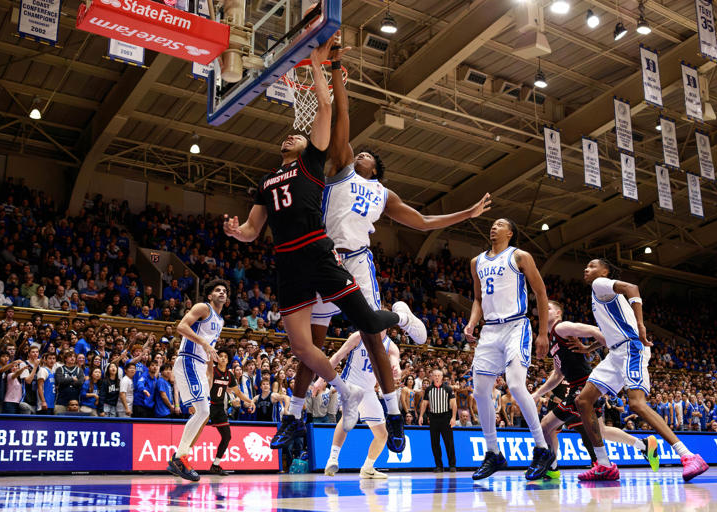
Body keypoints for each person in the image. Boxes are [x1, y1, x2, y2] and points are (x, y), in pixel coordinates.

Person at [282, 37, 492, 457]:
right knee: (314, 344)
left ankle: (393, 415)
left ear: (375, 168)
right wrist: (337, 68)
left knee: (372, 333)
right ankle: (295, 414)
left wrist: (465, 215)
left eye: (366, 155)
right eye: (357, 151)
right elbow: (342, 115)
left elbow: (425, 221)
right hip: (323, 255)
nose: (358, 152)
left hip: (357, 261)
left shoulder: (383, 194)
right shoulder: (341, 168)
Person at [223, 39, 425, 452]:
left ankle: (397, 349)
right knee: (302, 347)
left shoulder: (315, 163)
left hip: (323, 253)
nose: (290, 136)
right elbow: (251, 230)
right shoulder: (265, 182)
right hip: (288, 263)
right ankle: (308, 410)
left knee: (369, 325)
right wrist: (236, 231)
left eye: (298, 135)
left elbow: (328, 113)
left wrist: (321, 66)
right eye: (288, 137)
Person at [574, 258, 709, 481]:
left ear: (605, 271)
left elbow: (632, 288)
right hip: (616, 352)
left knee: (636, 404)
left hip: (630, 348)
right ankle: (604, 465)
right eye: (585, 266)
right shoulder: (598, 295)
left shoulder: (601, 283)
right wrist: (589, 347)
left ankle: (688, 456)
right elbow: (610, 332)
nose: (586, 269)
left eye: (591, 266)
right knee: (583, 401)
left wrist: (641, 325)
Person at [464, 218, 555, 480]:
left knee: (516, 385)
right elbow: (478, 299)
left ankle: (541, 448)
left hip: (516, 325)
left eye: (500, 224)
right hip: (490, 330)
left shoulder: (520, 256)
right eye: (492, 224)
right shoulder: (476, 262)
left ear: (510, 232)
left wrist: (542, 333)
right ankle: (493, 452)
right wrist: (472, 323)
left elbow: (540, 292)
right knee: (480, 391)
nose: (494, 227)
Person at [531, 300, 658, 479]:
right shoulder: (551, 339)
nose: (545, 310)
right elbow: (558, 375)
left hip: (583, 387)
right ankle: (644, 445)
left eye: (549, 308)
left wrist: (613, 352)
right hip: (585, 386)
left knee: (546, 425)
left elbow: (594, 330)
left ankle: (552, 469)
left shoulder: (562, 327)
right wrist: (537, 393)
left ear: (558, 313)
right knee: (602, 431)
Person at [314, 331, 401, 479]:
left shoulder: (390, 346)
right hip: (350, 384)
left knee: (382, 435)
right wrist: (321, 380)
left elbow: (395, 362)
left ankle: (367, 468)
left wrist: (397, 369)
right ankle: (333, 458)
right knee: (348, 416)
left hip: (368, 391)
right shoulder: (359, 336)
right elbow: (337, 357)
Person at [166, 279, 229, 482]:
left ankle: (179, 458)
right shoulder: (203, 307)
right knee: (203, 411)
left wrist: (209, 376)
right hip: (188, 360)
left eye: (224, 291)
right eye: (217, 290)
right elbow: (181, 327)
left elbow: (209, 349)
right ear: (210, 295)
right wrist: (203, 342)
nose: (221, 292)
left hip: (201, 366)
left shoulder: (220, 321)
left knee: (203, 413)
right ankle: (179, 458)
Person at [208, 350, 255, 476]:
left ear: (228, 360)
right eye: (221, 356)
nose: (223, 358)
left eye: (225, 357)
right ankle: (179, 457)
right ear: (217, 358)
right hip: (207, 405)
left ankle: (215, 465)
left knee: (227, 436)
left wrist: (250, 401)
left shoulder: (229, 374)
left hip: (218, 409)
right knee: (196, 432)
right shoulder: (212, 370)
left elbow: (238, 393)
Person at [418, 369, 457, 473]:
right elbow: (424, 403)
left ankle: (452, 465)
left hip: (445, 417)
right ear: (432, 377)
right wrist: (421, 416)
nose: (436, 377)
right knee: (435, 443)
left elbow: (453, 404)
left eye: (438, 375)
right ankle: (439, 466)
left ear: (442, 377)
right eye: (434, 375)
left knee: (449, 442)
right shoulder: (429, 389)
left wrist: (453, 418)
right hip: (433, 418)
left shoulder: (448, 389)